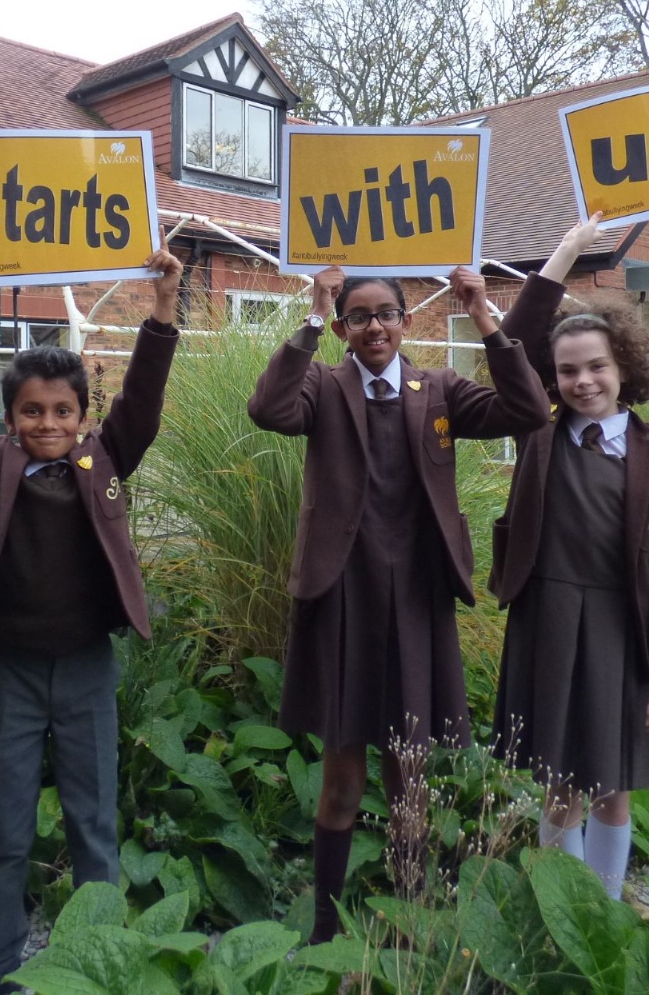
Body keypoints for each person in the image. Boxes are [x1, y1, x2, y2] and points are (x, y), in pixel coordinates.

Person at [247, 264, 550, 943]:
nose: (375, 326)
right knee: (342, 772)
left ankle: (409, 915)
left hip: (415, 596)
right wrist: (308, 315)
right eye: (358, 316)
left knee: (410, 768)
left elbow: (528, 411)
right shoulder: (323, 386)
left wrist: (484, 316)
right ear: (343, 329)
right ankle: (325, 928)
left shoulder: (438, 387)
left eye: (386, 313)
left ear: (408, 322)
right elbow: (268, 409)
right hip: (342, 595)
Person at [0, 225, 181, 991]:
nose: (48, 426)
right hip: (12, 672)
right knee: (4, 826)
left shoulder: (103, 462)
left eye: (64, 411)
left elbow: (144, 402)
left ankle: (96, 957)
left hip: (88, 669)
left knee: (94, 821)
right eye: (31, 412)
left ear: (82, 414)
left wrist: (163, 304)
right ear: (10, 418)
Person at [490, 220, 649, 899]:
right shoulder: (535, 432)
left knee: (613, 789)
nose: (583, 382)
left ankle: (605, 911)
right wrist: (564, 254)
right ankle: (563, 911)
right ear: (551, 381)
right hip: (548, 619)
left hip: (623, 628)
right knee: (560, 785)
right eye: (569, 371)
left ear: (626, 369)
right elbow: (516, 340)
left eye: (597, 367)